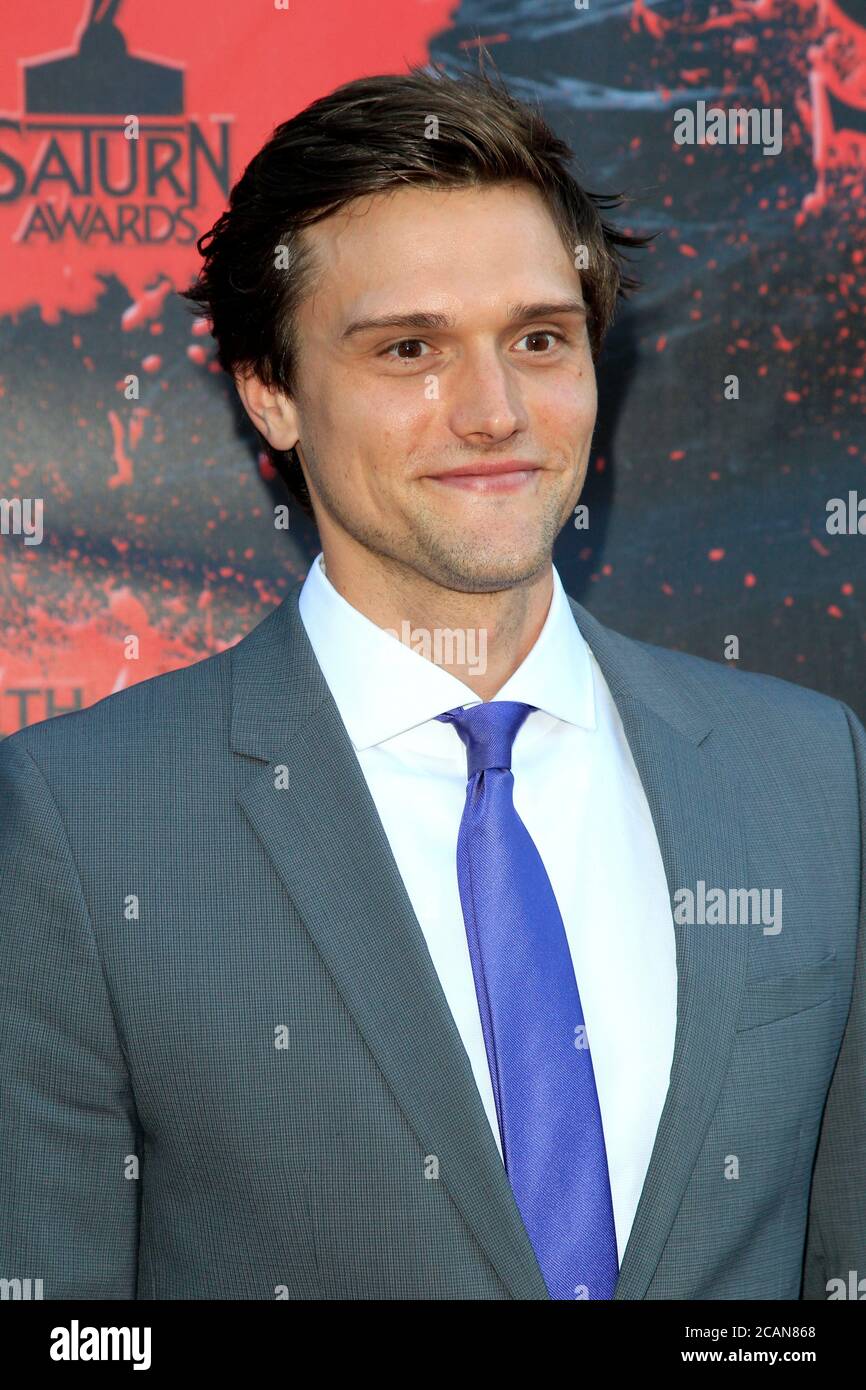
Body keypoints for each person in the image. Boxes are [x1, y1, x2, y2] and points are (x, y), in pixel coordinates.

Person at [1, 65, 863, 1301]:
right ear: (269, 392)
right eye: (410, 348)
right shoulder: (82, 828)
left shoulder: (811, 776)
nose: (494, 410)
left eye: (537, 339)